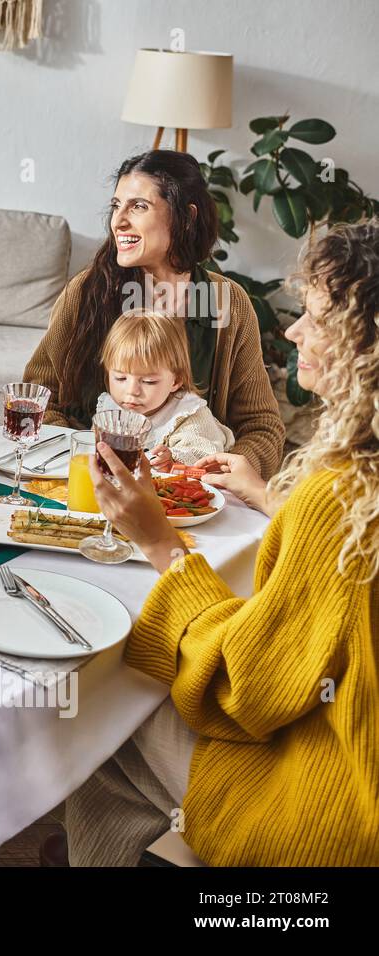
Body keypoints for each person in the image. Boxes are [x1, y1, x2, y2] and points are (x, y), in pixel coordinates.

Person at [63, 220, 379, 866]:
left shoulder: (342, 498)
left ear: (363, 347)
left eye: (315, 320)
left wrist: (160, 543)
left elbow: (249, 687)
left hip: (331, 806)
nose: (292, 332)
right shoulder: (353, 495)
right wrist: (268, 498)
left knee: (102, 708)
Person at [24, 150, 284, 478]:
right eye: (116, 205)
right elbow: (39, 398)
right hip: (87, 479)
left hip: (183, 492)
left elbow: (262, 427)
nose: (118, 221)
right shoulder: (86, 292)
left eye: (139, 206)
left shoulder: (227, 303)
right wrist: (87, 458)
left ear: (185, 217)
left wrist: (211, 471)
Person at [95, 309, 234, 466]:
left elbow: (205, 454)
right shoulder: (111, 410)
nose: (131, 390)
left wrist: (173, 458)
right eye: (120, 378)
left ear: (175, 381)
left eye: (148, 381)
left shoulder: (189, 415)